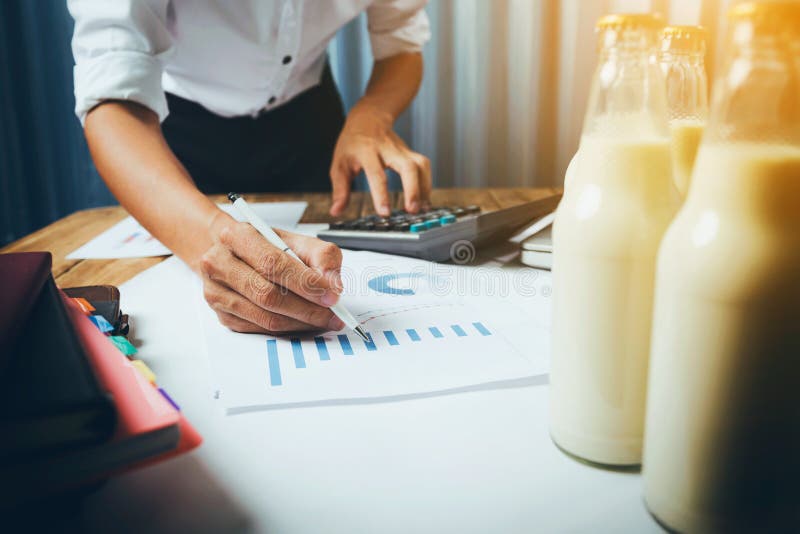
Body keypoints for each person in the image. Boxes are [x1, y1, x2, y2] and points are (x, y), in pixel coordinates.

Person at [68, 0, 432, 335]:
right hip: (171, 135)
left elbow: (401, 45)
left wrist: (371, 118)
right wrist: (208, 233)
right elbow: (111, 97)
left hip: (309, 120)